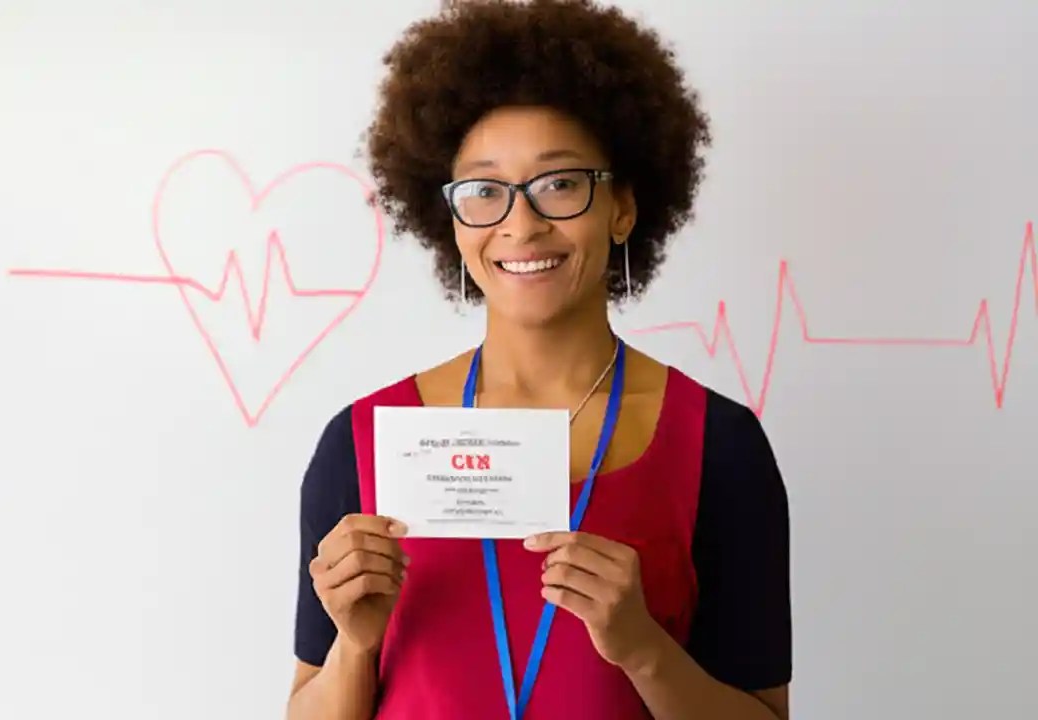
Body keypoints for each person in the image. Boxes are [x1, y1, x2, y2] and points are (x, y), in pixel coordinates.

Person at [286, 1, 792, 718]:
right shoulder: (361, 442)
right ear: (452, 222)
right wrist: (355, 646)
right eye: (484, 191)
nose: (521, 224)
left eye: (559, 184)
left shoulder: (721, 444)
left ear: (621, 208)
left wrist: (642, 647)